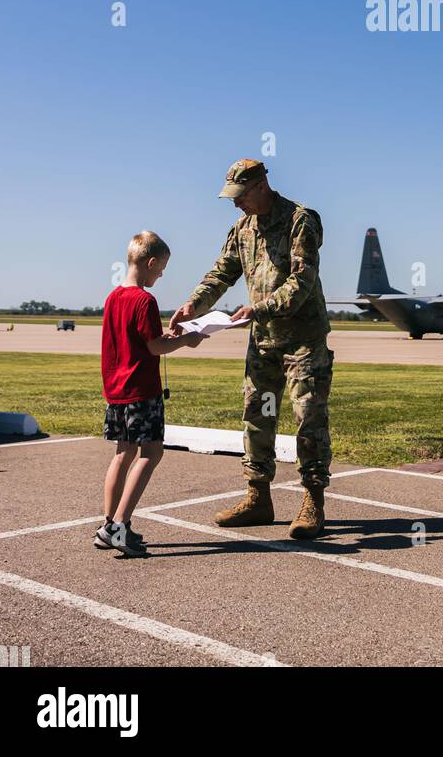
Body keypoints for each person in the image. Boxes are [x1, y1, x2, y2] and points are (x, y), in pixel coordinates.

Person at [170, 160, 333, 539]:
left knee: (308, 418)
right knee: (257, 416)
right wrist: (194, 304)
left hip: (302, 342)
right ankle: (258, 497)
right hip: (263, 342)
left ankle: (313, 501)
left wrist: (257, 309)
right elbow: (222, 272)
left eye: (241, 196)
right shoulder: (242, 228)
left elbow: (301, 281)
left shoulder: (300, 220)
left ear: (261, 186)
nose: (236, 204)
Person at [98, 231, 203, 558]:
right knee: (151, 453)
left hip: (116, 391)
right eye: (162, 268)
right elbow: (155, 346)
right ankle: (120, 526)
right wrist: (186, 340)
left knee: (123, 453)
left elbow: (139, 340)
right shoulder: (145, 300)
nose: (162, 274)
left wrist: (165, 336)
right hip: (141, 390)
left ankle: (107, 524)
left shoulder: (114, 297)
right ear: (151, 262)